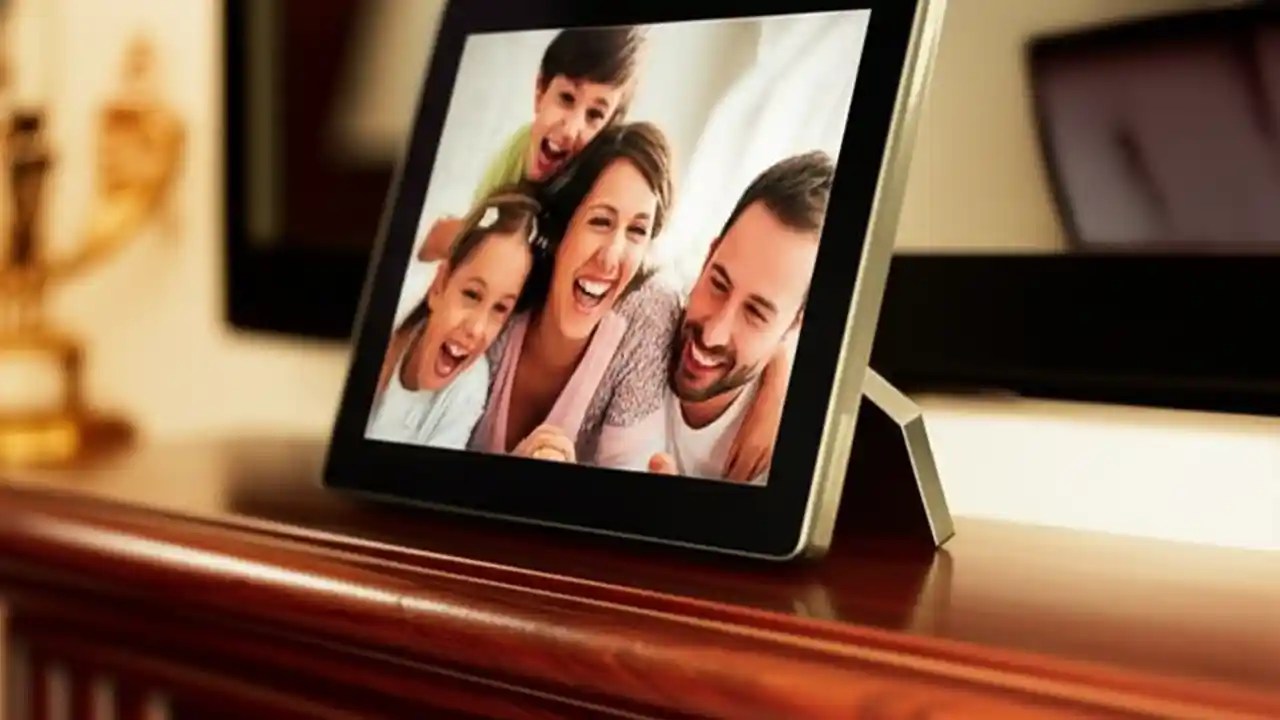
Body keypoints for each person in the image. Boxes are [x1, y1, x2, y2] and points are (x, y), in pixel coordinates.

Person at [647, 151, 835, 484]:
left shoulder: (789, 462)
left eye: (755, 312)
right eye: (718, 284)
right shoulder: (646, 317)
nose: (713, 334)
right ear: (708, 256)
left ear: (795, 324)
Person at [418, 26, 648, 263]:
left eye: (595, 115)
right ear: (540, 91)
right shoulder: (520, 146)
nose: (570, 129)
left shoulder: (588, 195)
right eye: (567, 98)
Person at [367, 192, 546, 449]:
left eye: (499, 308)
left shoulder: (466, 392)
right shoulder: (392, 309)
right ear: (439, 286)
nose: (476, 328)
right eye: (472, 294)